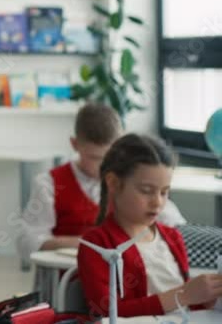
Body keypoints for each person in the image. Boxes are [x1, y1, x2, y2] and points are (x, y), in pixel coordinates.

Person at [78, 134, 222, 317]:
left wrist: (208, 297)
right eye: (146, 191)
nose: (157, 202)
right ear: (113, 183)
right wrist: (184, 294)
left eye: (164, 192)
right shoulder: (98, 244)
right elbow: (107, 312)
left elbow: (187, 307)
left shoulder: (172, 237)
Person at [17, 102, 185, 259]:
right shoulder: (50, 183)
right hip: (64, 281)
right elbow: (28, 244)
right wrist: (94, 244)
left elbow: (175, 227)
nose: (103, 166)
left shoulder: (130, 180)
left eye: (109, 156)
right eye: (94, 158)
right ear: (75, 144)